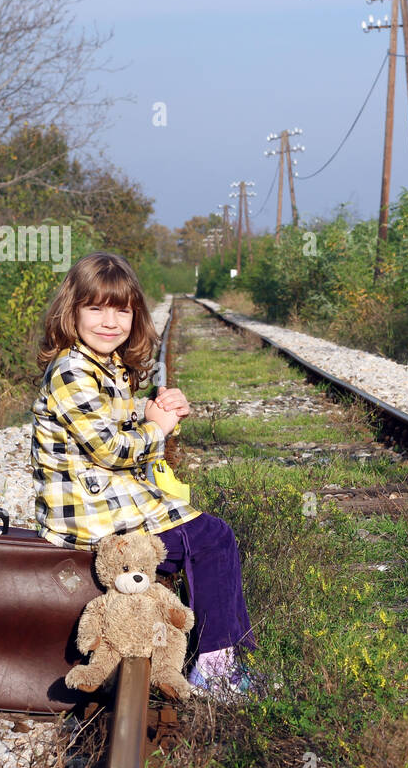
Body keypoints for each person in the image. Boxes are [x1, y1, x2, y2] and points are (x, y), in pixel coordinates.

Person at [31, 251, 255, 695]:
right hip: (88, 515)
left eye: (122, 309)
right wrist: (158, 428)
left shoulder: (100, 365)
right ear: (71, 311)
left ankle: (225, 658)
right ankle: (217, 671)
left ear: (135, 315)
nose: (109, 321)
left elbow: (111, 414)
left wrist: (153, 408)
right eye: (95, 308)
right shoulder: (71, 371)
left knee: (208, 535)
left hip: (102, 501)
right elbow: (111, 448)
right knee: (209, 538)